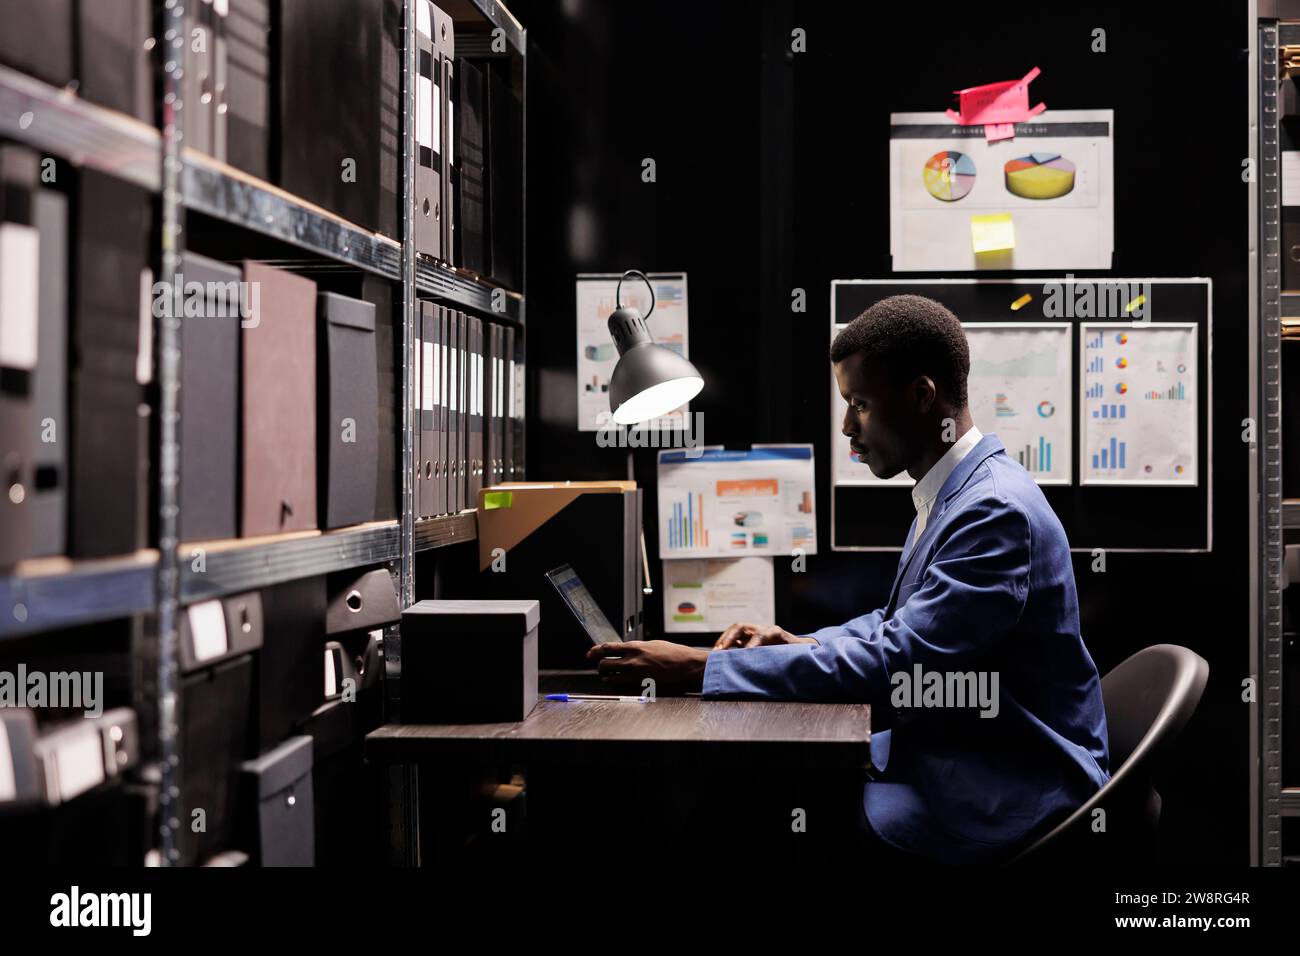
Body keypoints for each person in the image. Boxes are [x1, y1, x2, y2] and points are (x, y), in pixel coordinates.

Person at [587, 294, 1110, 865]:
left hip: (1010, 787)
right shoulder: (959, 490)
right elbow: (899, 625)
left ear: (921, 396)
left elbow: (899, 662)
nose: (846, 427)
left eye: (860, 403)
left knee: (756, 810)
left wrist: (701, 667)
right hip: (966, 754)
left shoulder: (993, 511)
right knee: (753, 795)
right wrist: (802, 642)